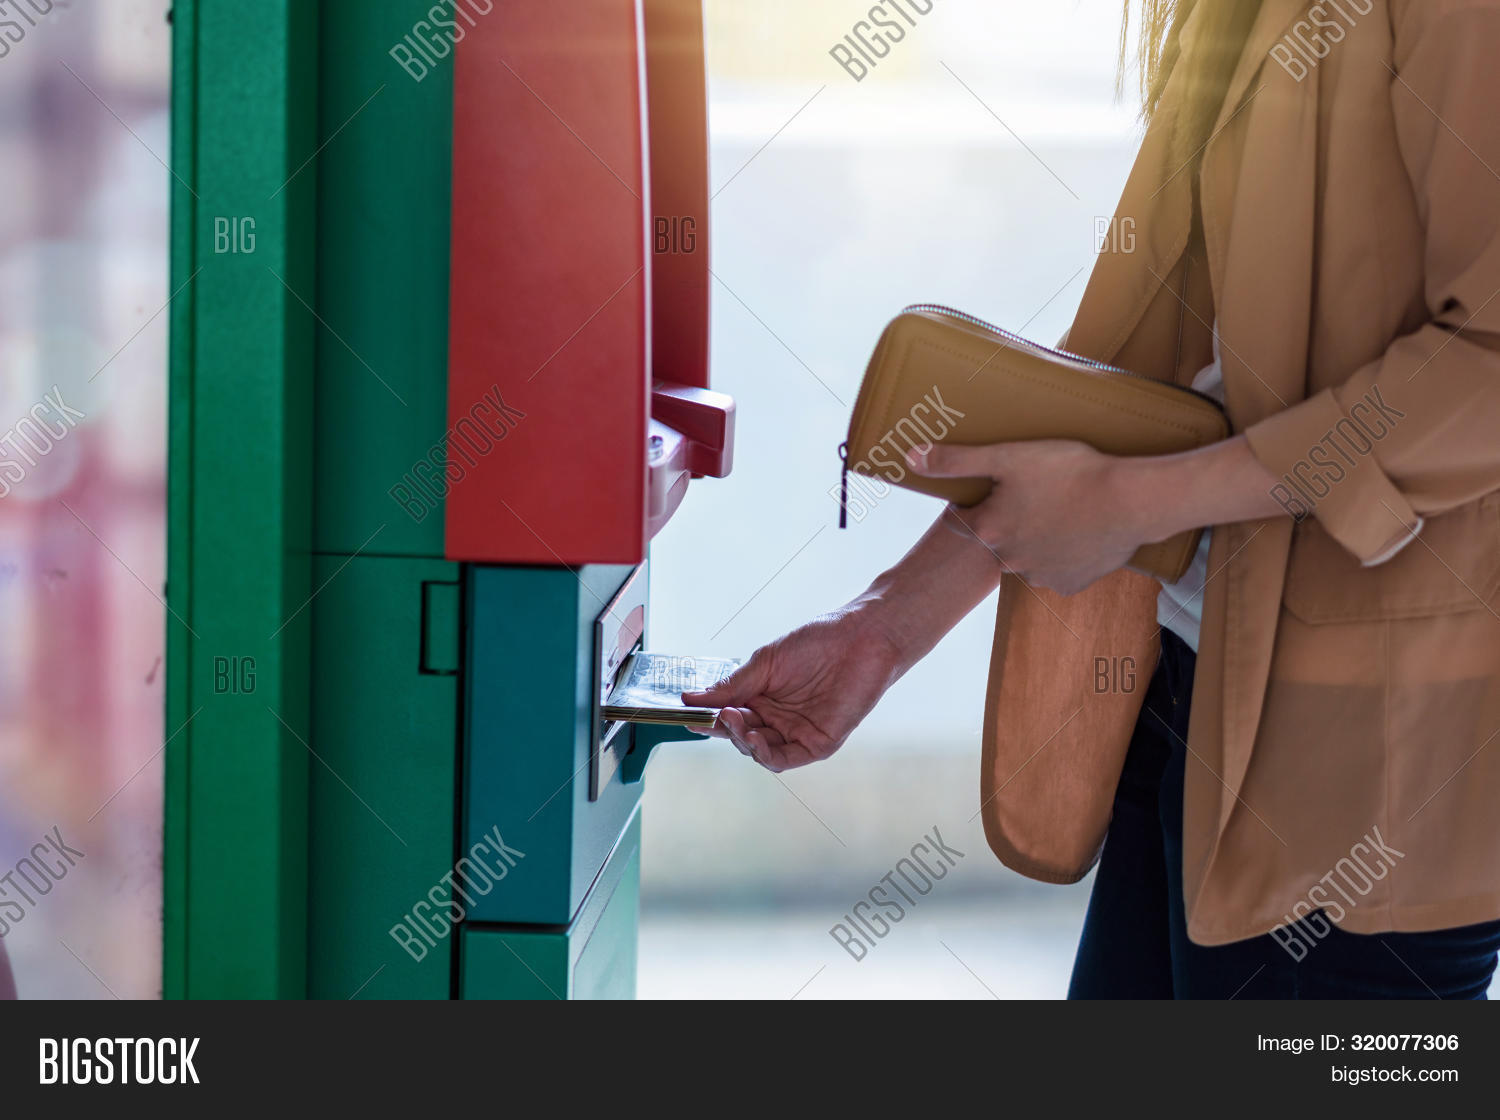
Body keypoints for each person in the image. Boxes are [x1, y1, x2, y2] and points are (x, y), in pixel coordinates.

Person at [686, 0, 1500, 998]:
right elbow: (1154, 355)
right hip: (1198, 691)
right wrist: (884, 629)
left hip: (1377, 774)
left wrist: (1148, 499)